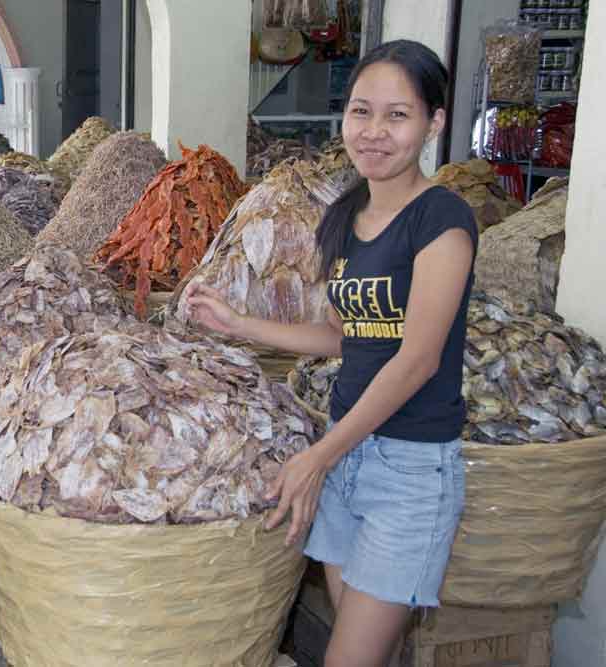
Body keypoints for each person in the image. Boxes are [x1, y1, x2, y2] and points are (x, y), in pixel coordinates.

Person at [186, 40, 476, 667]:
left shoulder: (443, 220)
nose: (373, 132)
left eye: (397, 116)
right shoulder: (347, 217)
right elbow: (351, 335)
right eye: (360, 112)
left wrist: (317, 456)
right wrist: (240, 324)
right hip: (349, 454)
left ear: (435, 123)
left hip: (409, 469)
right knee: (364, 644)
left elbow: (418, 358)